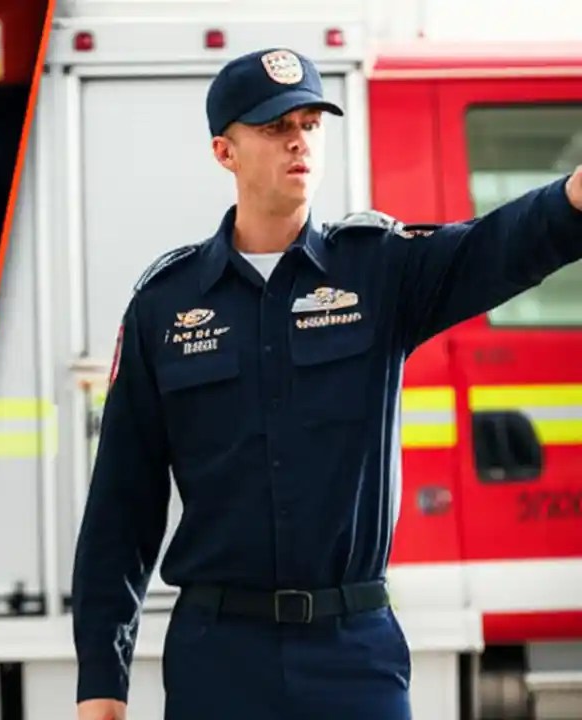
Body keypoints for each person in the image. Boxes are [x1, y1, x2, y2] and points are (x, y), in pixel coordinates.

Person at [71, 46, 582, 720]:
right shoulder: (164, 308)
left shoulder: (380, 271)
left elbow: (498, 246)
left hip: (353, 654)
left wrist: (573, 197)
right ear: (224, 151)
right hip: (217, 656)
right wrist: (101, 687)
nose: (298, 141)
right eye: (276, 126)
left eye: (310, 123)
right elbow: (120, 511)